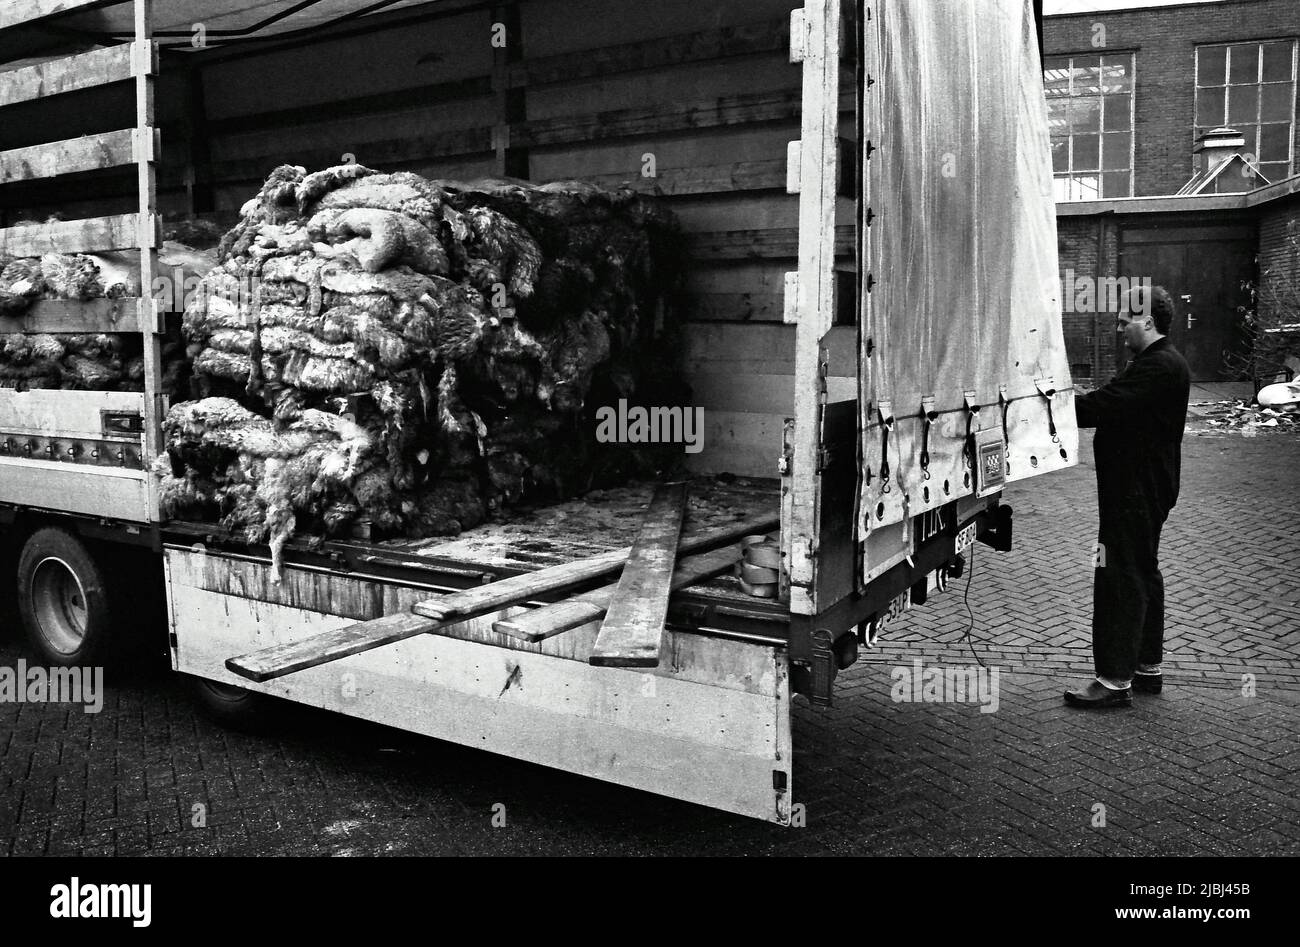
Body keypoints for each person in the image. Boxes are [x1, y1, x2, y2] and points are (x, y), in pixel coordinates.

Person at [1065, 284, 1191, 709]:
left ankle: (1114, 680)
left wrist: (1052, 406)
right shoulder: (1156, 362)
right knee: (1142, 571)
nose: (1119, 328)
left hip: (1134, 492)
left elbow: (1105, 405)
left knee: (1118, 575)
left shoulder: (1157, 367)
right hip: (1142, 489)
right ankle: (1146, 667)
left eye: (1125, 321)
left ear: (1148, 322)